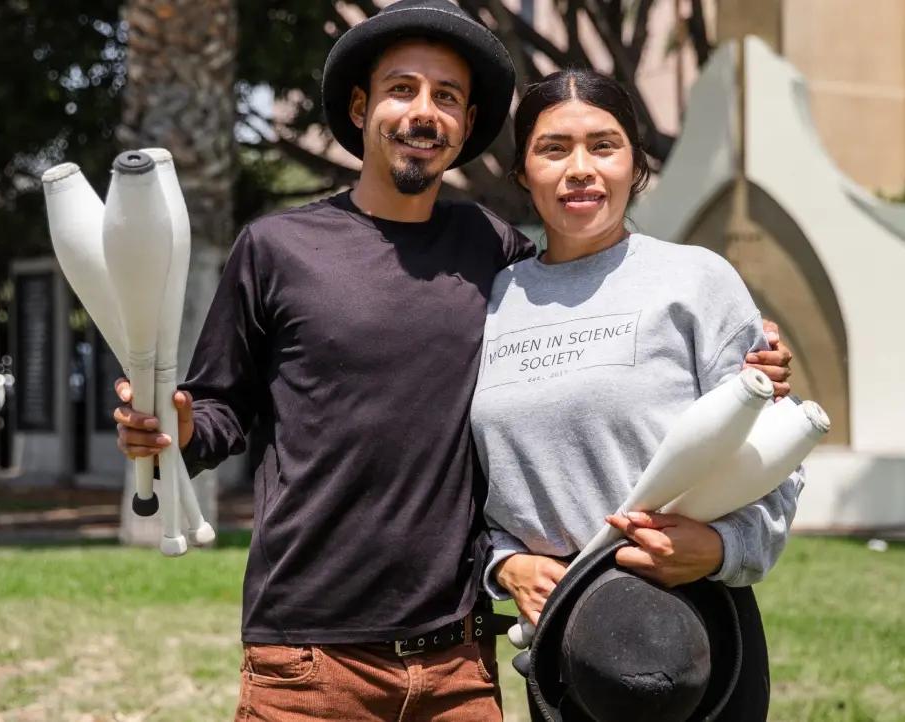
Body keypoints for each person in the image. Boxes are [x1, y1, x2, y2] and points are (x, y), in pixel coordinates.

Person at [113, 3, 791, 720]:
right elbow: (221, 409)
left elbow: (597, 310)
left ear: (467, 126)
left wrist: (750, 359)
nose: (423, 112)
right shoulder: (277, 248)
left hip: (459, 658)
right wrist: (176, 426)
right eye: (402, 89)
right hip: (308, 655)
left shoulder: (494, 255)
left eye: (446, 97)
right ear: (360, 106)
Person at [471, 68, 802, 720]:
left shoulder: (695, 281)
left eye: (604, 145)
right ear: (522, 173)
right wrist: (504, 565)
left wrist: (725, 548)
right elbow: (474, 478)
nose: (580, 169)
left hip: (691, 626)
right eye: (553, 148)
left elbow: (777, 451)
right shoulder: (494, 299)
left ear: (636, 164)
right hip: (568, 639)